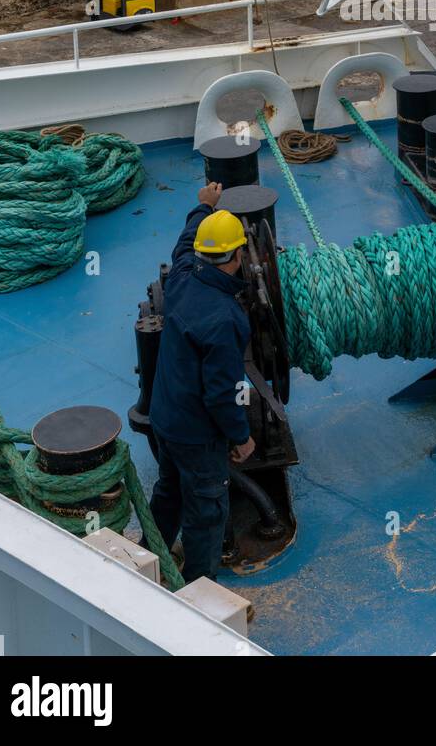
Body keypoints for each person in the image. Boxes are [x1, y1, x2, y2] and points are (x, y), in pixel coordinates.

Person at [148, 182, 255, 583]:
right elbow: (223, 394)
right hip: (197, 434)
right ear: (237, 256)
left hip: (163, 416)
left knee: (169, 489)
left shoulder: (181, 275)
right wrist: (241, 437)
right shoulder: (225, 319)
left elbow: (185, 242)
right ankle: (200, 594)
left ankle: (150, 559)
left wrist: (202, 207)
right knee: (206, 511)